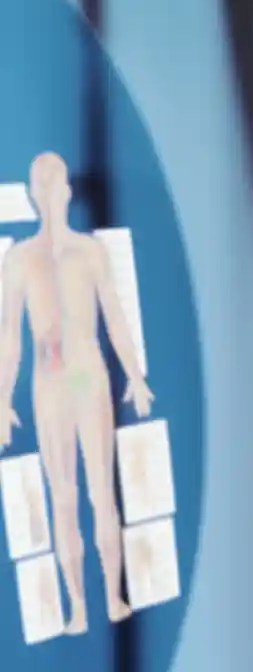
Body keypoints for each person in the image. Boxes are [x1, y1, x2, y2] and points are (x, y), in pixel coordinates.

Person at [0, 151, 155, 633]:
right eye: (45, 183)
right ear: (40, 193)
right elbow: (8, 336)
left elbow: (113, 316)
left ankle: (103, 599)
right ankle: (85, 605)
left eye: (54, 182)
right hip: (60, 378)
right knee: (68, 496)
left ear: (63, 191)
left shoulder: (83, 252)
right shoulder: (24, 258)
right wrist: (2, 399)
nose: (50, 191)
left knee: (91, 492)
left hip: (79, 373)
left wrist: (135, 374)